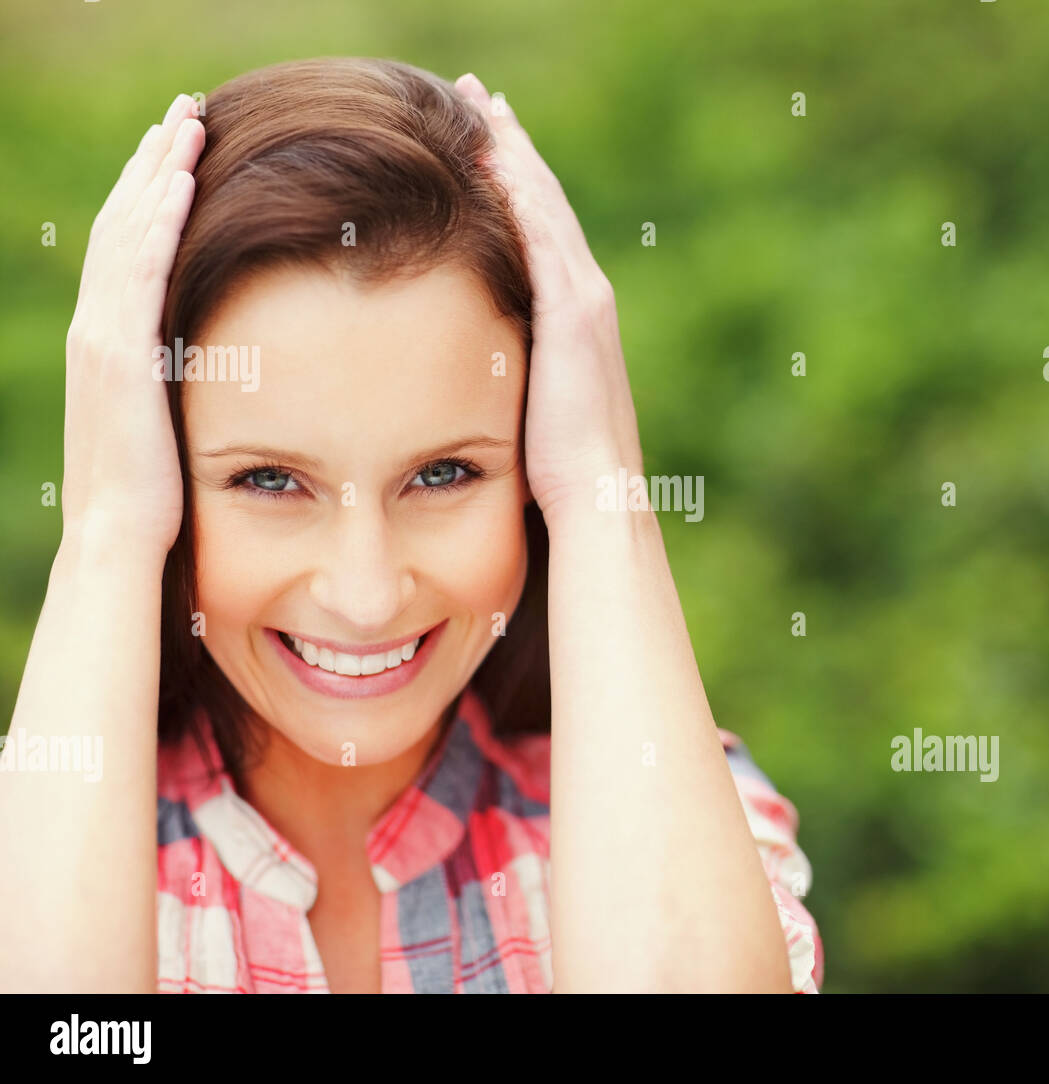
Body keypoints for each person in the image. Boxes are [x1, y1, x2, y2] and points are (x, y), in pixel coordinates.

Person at [0, 58, 823, 994]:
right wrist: (104, 532)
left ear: (532, 470)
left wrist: (601, 491)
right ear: (162, 481)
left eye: (443, 473)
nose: (365, 594)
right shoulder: (36, 848)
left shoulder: (674, 800)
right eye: (269, 480)